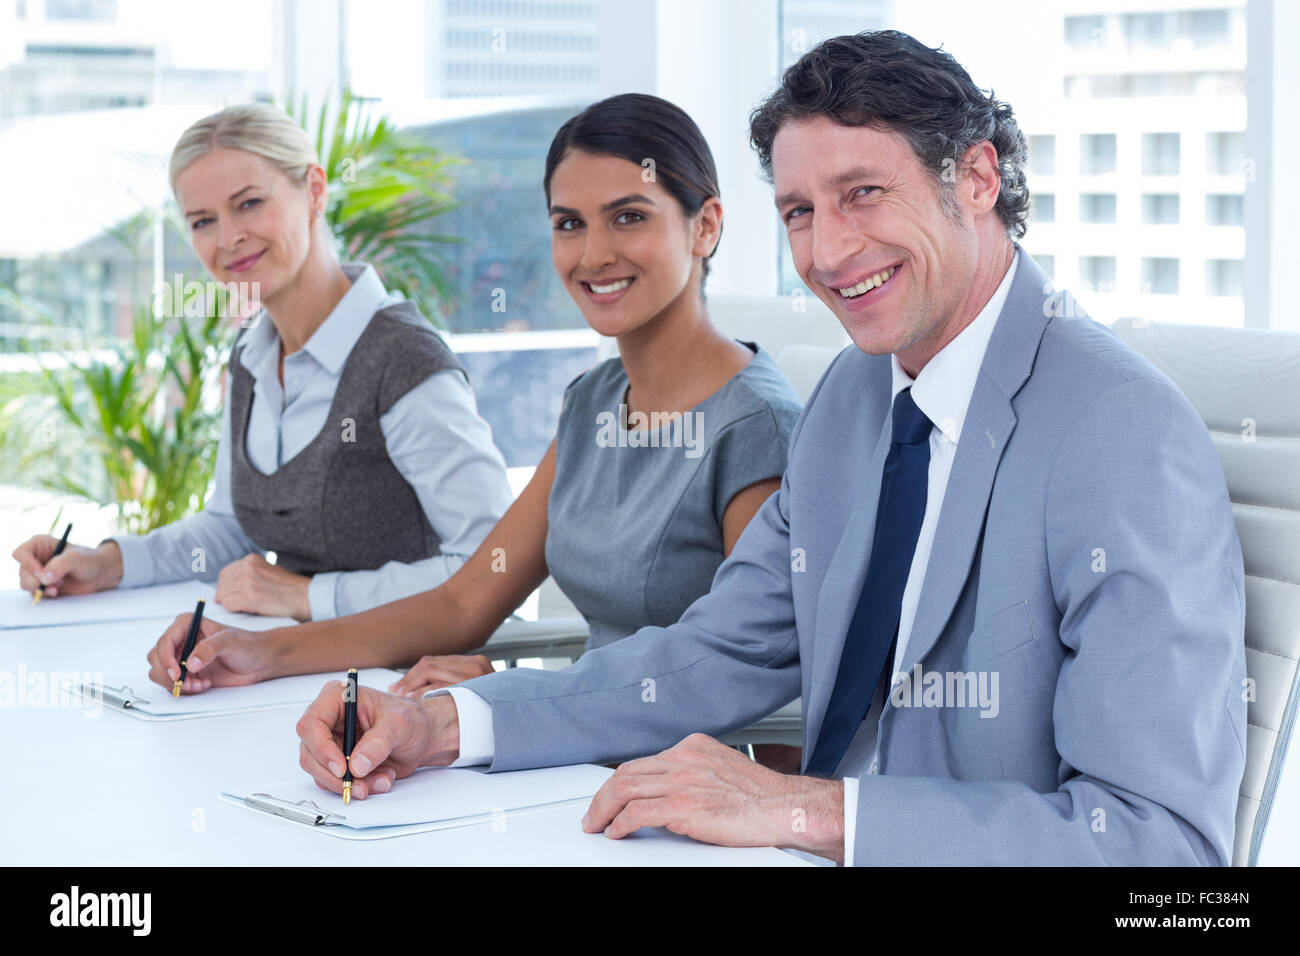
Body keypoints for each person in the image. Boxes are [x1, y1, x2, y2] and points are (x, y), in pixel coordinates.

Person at [294, 31, 1247, 866]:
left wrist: (803, 809)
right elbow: (715, 653)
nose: (828, 254)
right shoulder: (854, 398)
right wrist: (450, 724)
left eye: (863, 194)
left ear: (979, 179)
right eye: (799, 211)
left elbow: (1160, 847)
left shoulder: (1120, 431)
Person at [143, 93, 804, 771]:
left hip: (677, 788)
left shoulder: (754, 430)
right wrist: (261, 652)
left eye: (628, 218)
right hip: (577, 762)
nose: (594, 253)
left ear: (706, 227)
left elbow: (755, 674)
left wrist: (505, 703)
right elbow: (467, 597)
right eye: (569, 223)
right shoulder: (595, 404)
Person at [11, 103, 513, 622]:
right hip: (291, 664)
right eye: (203, 221)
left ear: (315, 190)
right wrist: (105, 563)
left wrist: (307, 597)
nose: (228, 239)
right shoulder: (252, 356)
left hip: (403, 680)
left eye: (249, 204)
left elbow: (494, 561)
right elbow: (231, 528)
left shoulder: (402, 359)